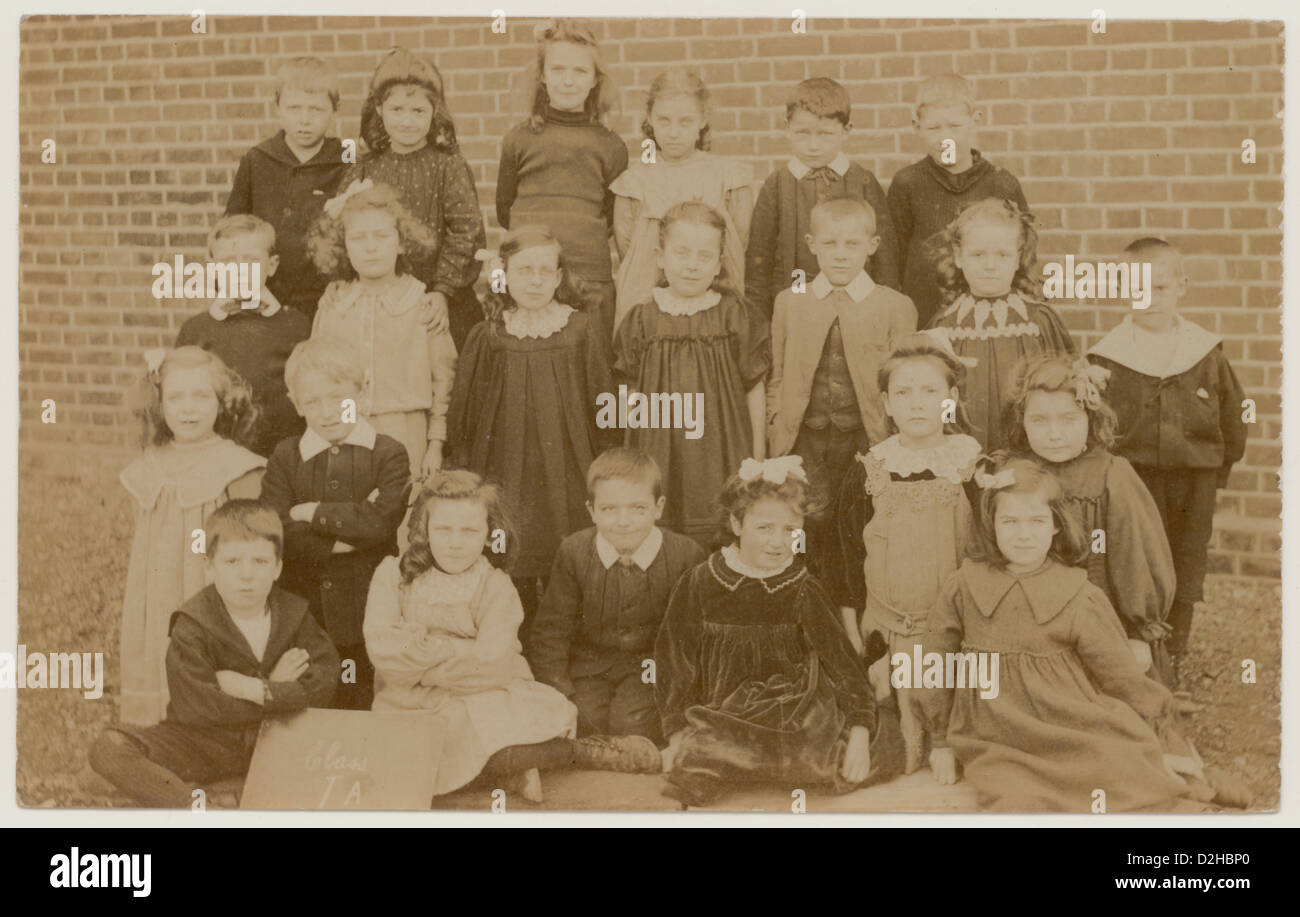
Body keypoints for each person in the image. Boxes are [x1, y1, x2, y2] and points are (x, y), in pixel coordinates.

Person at [921, 457, 1214, 812]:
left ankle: (1186, 790)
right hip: (996, 737)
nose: (1024, 534)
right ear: (990, 523)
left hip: (1071, 723)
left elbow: (1118, 673)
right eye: (1010, 521)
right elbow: (935, 662)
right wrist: (940, 741)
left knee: (1122, 765)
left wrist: (1161, 721)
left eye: (1037, 521)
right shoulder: (964, 585)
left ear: (1056, 525)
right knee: (1019, 800)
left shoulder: (1078, 593)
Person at [364, 472, 662, 805]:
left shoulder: (495, 585)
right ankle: (522, 763)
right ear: (424, 529)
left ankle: (572, 753)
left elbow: (489, 666)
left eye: (470, 531)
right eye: (443, 530)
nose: (455, 542)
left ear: (490, 535)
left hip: (485, 695)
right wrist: (460, 650)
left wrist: (427, 656)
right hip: (408, 700)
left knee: (479, 730)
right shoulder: (392, 574)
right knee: (412, 755)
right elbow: (384, 654)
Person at [654, 456, 903, 807]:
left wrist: (861, 730)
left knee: (832, 762)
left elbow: (842, 663)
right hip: (722, 710)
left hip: (793, 709)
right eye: (764, 528)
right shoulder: (701, 581)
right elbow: (672, 659)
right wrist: (676, 732)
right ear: (737, 523)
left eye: (790, 531)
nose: (777, 542)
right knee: (695, 764)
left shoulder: (802, 586)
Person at [89, 501, 339, 808]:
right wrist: (277, 692)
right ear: (209, 567)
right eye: (232, 562)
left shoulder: (295, 614)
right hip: (202, 743)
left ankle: (231, 791)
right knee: (109, 747)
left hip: (276, 740)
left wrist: (256, 689)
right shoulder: (193, 623)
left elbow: (324, 682)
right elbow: (200, 708)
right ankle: (202, 806)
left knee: (345, 761)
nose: (246, 575)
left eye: (260, 562)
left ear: (278, 568)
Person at [1088, 237, 1249, 699]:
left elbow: (1233, 420)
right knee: (1134, 560)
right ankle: (1137, 652)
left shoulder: (1205, 354)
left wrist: (1214, 473)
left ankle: (1174, 655)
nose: (1149, 299)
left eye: (1160, 287)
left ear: (1182, 286)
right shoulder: (1108, 357)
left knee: (1184, 563)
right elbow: (1097, 426)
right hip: (1134, 482)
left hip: (1194, 483)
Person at [447, 225, 616, 640]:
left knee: (567, 541)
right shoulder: (490, 333)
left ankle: (566, 645)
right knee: (512, 545)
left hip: (568, 462)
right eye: (525, 271)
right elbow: (466, 409)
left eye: (545, 271)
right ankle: (516, 646)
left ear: (559, 277)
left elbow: (602, 402)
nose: (536, 280)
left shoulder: (580, 329)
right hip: (505, 462)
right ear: (505, 275)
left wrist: (606, 461)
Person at [828, 333, 982, 773]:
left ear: (951, 399)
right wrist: (856, 637)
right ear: (887, 404)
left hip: (955, 637)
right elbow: (844, 561)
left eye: (930, 392)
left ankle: (947, 741)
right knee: (888, 753)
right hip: (886, 635)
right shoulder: (868, 470)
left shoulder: (970, 464)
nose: (917, 404)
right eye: (903, 393)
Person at [1004, 353, 1177, 685]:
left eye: (1068, 419)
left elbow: (1135, 557)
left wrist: (1138, 632)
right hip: (1030, 624)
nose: (1054, 434)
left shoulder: (1113, 476)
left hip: (1102, 619)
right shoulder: (1012, 472)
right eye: (1039, 420)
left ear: (1091, 419)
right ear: (1021, 421)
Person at [260, 337, 412, 710]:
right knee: (315, 694)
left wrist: (311, 513)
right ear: (296, 403)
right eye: (312, 402)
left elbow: (382, 523)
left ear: (362, 394)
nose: (328, 412)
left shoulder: (388, 453)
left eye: (338, 398)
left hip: (368, 603)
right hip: (304, 606)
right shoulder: (286, 456)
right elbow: (274, 527)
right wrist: (344, 537)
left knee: (362, 689)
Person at [117, 346, 265, 726]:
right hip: (156, 591)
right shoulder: (150, 465)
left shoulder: (236, 465)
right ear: (159, 403)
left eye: (201, 396)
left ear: (222, 402)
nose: (188, 408)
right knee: (157, 645)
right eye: (176, 397)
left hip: (210, 586)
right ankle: (156, 725)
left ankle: (211, 728)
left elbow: (250, 540)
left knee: (205, 651)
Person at [767, 195, 916, 569]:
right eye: (829, 244)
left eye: (852, 244)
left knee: (860, 526)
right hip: (805, 440)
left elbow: (905, 383)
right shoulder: (790, 302)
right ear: (812, 245)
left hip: (865, 439)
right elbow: (778, 375)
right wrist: (775, 426)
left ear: (872, 246)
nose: (840, 254)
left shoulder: (894, 306)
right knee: (805, 525)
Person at [529, 447, 705, 743]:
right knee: (584, 722)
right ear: (591, 511)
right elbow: (551, 631)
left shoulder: (685, 555)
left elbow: (692, 636)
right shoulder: (574, 552)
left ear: (658, 507)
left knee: (632, 726)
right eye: (609, 509)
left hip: (651, 666)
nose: (624, 522)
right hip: (590, 664)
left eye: (637, 508)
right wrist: (560, 696)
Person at [308, 179, 457, 487]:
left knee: (402, 518)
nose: (371, 247)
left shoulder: (422, 304)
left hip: (406, 430)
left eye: (381, 236)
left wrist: (436, 444)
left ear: (401, 242)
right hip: (344, 429)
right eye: (358, 238)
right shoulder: (333, 306)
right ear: (343, 246)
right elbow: (315, 378)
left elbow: (445, 380)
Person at [340, 48, 485, 350]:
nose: (407, 121)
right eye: (397, 110)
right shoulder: (365, 168)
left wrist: (443, 291)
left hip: (438, 302)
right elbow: (343, 231)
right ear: (379, 109)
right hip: (379, 301)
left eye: (418, 111)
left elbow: (466, 231)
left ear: (435, 112)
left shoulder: (448, 165)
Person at [496, 19, 628, 343]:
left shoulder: (611, 145)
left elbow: (612, 216)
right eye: (558, 70)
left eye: (580, 72)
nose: (568, 81)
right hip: (533, 279)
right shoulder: (519, 139)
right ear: (542, 75)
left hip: (590, 279)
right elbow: (504, 207)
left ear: (596, 79)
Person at [610, 67, 752, 336]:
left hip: (713, 300)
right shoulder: (635, 182)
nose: (674, 132)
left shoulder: (728, 176)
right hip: (649, 302)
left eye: (685, 122)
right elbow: (627, 247)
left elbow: (738, 241)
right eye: (664, 121)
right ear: (650, 119)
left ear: (702, 120)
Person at [925, 197, 1076, 451]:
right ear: (959, 257)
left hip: (1030, 448)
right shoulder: (944, 326)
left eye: (1002, 254)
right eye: (978, 254)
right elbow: (936, 397)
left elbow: (1066, 386)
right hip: (961, 447)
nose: (990, 265)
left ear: (1017, 260)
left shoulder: (1039, 320)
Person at [746, 77, 901, 321]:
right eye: (802, 133)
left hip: (857, 308)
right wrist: (762, 323)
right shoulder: (776, 186)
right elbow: (758, 263)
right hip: (794, 308)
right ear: (787, 127)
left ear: (846, 130)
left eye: (825, 134)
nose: (813, 145)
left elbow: (886, 261)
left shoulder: (864, 182)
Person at [887, 73, 1029, 327]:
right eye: (933, 128)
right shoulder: (907, 183)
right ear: (916, 126)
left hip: (989, 317)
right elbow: (893, 257)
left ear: (975, 121)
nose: (945, 138)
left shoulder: (1001, 183)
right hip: (924, 314)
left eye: (954, 127)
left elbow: (1024, 257)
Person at [175, 214, 310, 458]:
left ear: (272, 265)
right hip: (215, 455)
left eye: (250, 260)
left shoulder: (296, 325)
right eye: (228, 261)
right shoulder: (196, 330)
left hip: (285, 455)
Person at [224, 57, 348, 320]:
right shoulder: (257, 159)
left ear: (335, 110)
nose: (305, 119)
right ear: (277, 107)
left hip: (329, 296)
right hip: (267, 295)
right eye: (294, 108)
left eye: (316, 109)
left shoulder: (347, 160)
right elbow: (231, 230)